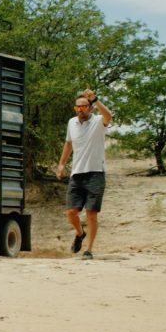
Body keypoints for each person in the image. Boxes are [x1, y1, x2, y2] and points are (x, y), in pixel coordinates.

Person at [55, 88, 113, 260]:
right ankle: (80, 234)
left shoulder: (98, 121)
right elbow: (68, 144)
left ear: (91, 108)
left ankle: (89, 250)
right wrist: (61, 164)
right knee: (71, 212)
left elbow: (108, 115)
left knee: (91, 213)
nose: (80, 109)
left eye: (84, 106)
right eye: (77, 107)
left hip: (96, 173)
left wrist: (95, 99)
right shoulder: (71, 122)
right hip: (77, 173)